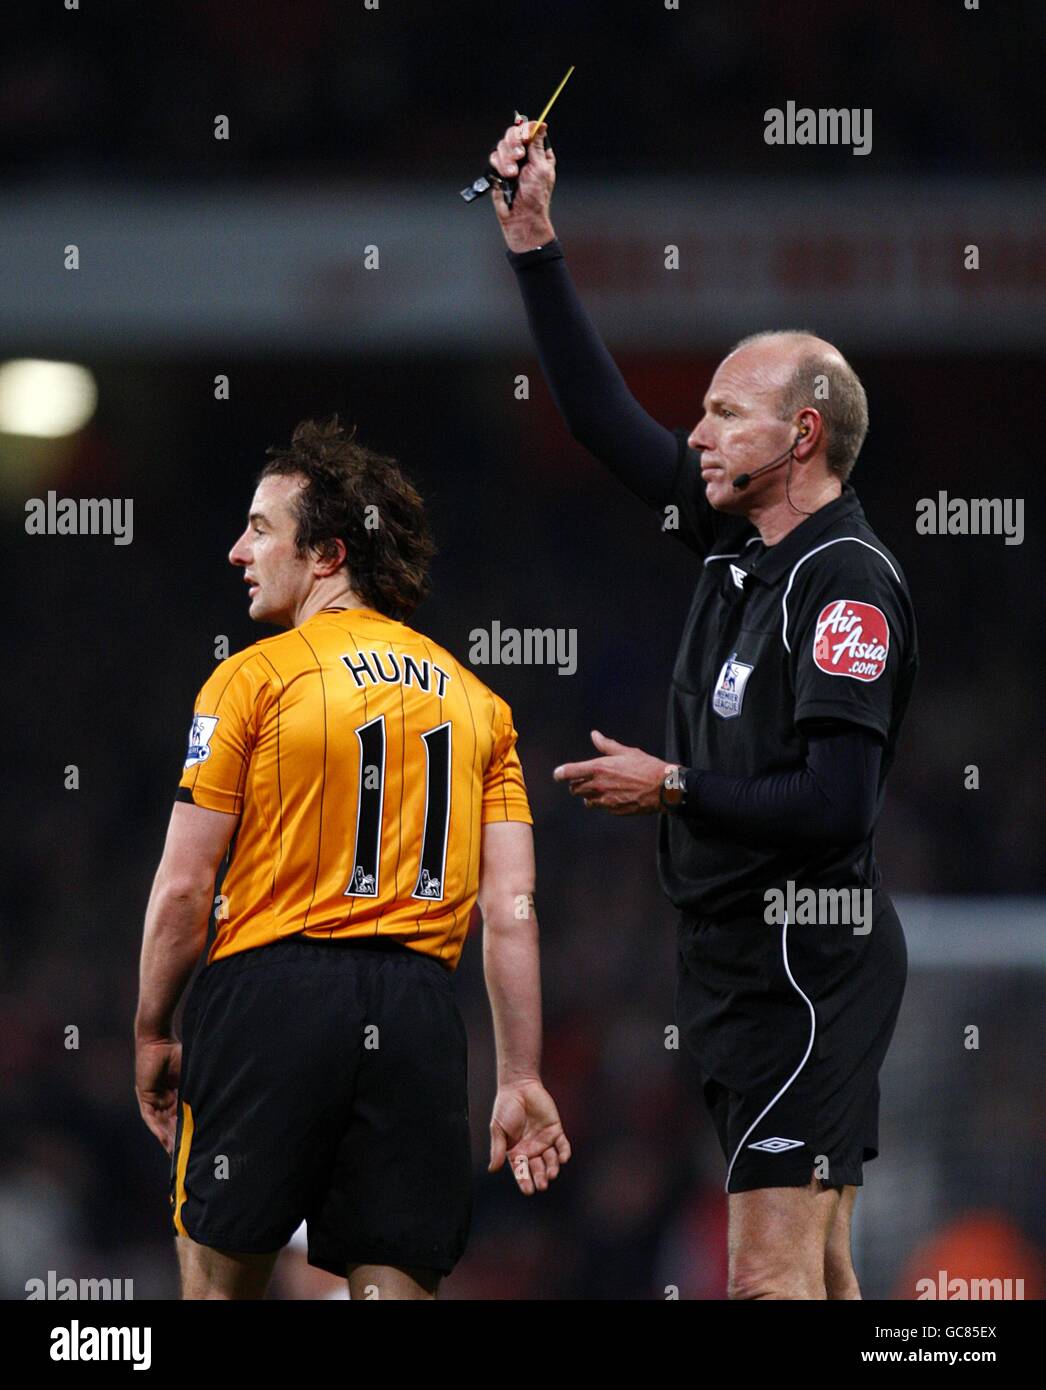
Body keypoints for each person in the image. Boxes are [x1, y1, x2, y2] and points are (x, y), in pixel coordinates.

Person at [484, 118, 918, 1300]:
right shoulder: (740, 546)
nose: (698, 430)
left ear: (802, 436)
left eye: (727, 412)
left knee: (766, 1277)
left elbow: (836, 798)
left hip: (802, 957)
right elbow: (597, 421)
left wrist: (669, 784)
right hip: (738, 960)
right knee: (821, 1272)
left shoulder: (844, 582)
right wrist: (534, 247)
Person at [134, 416, 570, 1300]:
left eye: (260, 529)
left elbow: (185, 886)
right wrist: (521, 1074)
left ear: (328, 553)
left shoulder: (252, 677)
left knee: (218, 1290)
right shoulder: (482, 704)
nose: (237, 550)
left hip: (272, 998)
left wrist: (151, 1027)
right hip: (417, 1020)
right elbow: (512, 912)